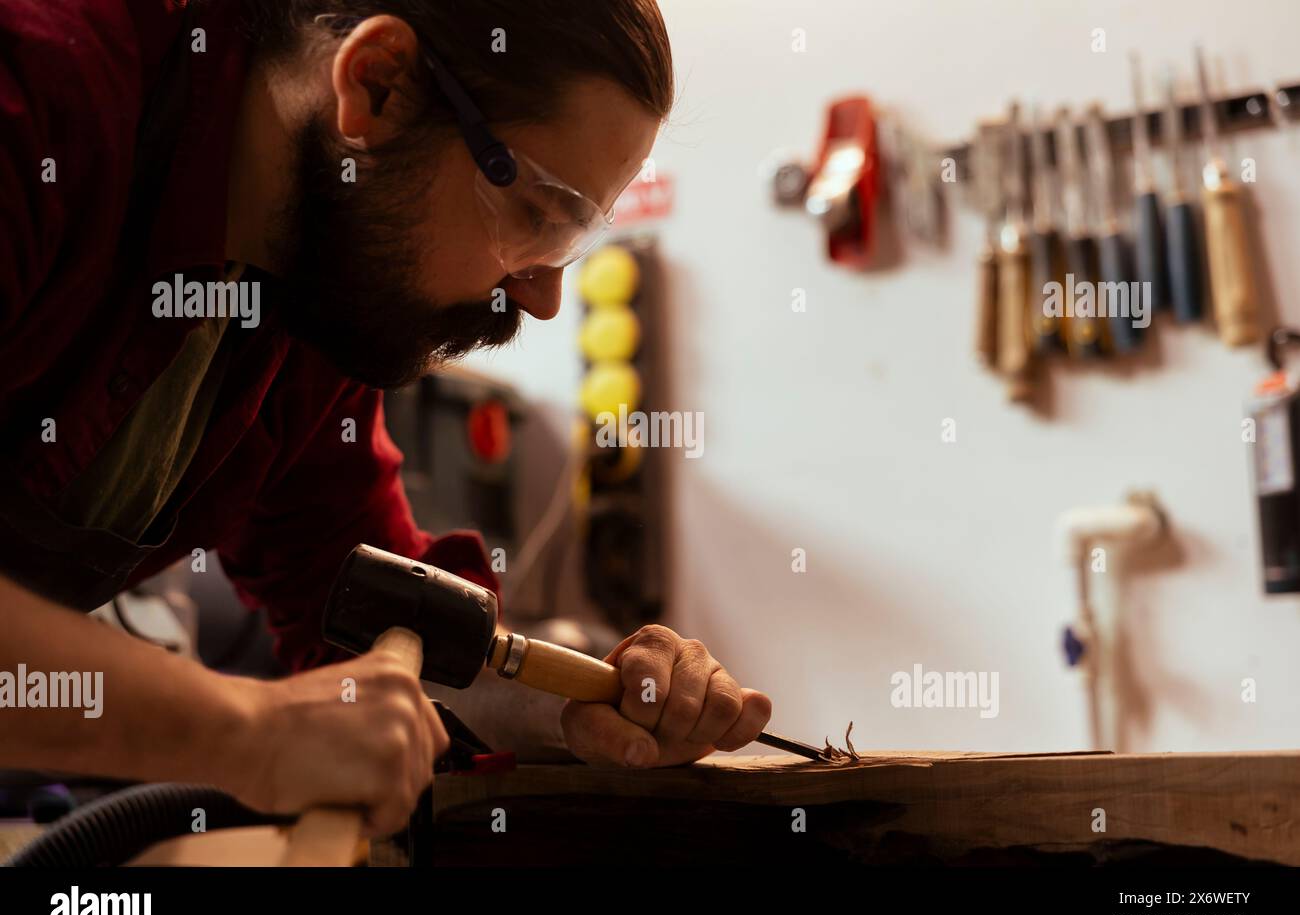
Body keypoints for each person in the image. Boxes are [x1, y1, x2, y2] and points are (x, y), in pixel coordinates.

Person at [0, 0, 771, 837]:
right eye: (536, 215)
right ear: (378, 83)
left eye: (569, 241)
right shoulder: (38, 100)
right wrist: (245, 733)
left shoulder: (314, 302)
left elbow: (375, 617)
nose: (545, 297)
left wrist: (572, 714)